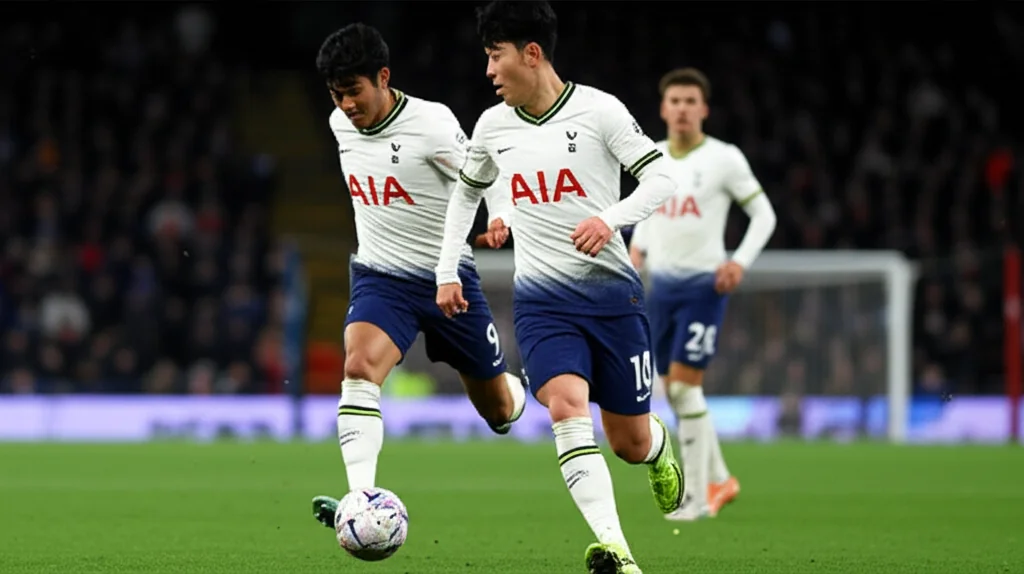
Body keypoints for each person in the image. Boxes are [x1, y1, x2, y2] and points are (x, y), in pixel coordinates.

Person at [435, 3, 682, 572]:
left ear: (532, 53)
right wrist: (449, 268)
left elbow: (664, 177)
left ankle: (659, 447)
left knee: (629, 443)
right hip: (543, 303)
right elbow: (467, 193)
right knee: (566, 407)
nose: (490, 72)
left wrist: (611, 217)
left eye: (496, 56)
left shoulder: (600, 112)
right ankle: (618, 552)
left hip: (613, 300)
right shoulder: (492, 126)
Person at [309, 23, 528, 529]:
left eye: (354, 92)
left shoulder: (431, 124)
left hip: (448, 279)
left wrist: (500, 217)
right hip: (380, 277)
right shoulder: (340, 124)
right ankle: (361, 498)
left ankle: (517, 387)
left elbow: (485, 170)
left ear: (384, 77)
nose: (345, 105)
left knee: (497, 412)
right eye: (336, 94)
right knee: (360, 368)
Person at [629, 67, 777, 521]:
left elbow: (764, 214)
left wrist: (738, 262)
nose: (682, 109)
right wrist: (638, 248)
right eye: (675, 101)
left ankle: (695, 497)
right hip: (660, 288)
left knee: (686, 391)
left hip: (704, 288)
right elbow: (650, 213)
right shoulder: (652, 157)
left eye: (691, 101)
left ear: (704, 109)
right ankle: (722, 479)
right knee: (671, 392)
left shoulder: (724, 159)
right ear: (663, 108)